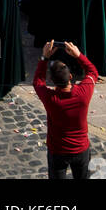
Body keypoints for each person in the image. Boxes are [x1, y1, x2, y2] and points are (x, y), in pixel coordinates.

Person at [33, 41, 99, 180]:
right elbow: (92, 71)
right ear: (70, 77)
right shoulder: (83, 93)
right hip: (81, 149)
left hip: (58, 151)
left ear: (51, 80)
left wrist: (45, 57)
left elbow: (38, 82)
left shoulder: (50, 98)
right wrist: (78, 55)